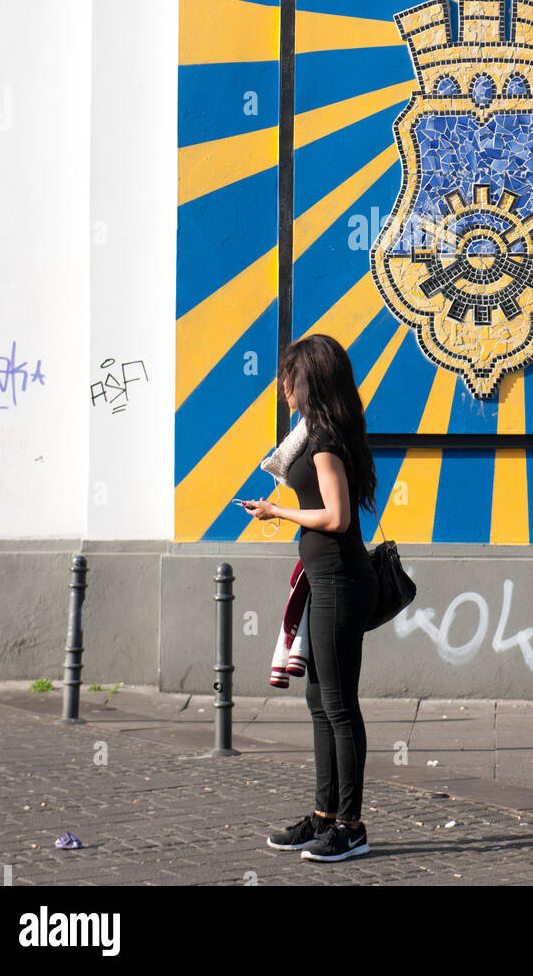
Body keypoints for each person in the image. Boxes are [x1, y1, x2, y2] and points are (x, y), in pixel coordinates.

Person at [241, 333, 379, 862]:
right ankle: (324, 816)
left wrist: (279, 514)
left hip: (342, 581)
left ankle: (351, 826)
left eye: (289, 377)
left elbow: (337, 517)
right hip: (328, 580)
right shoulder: (317, 433)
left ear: (308, 380)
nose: (282, 386)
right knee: (319, 700)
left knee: (340, 706)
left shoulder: (323, 438)